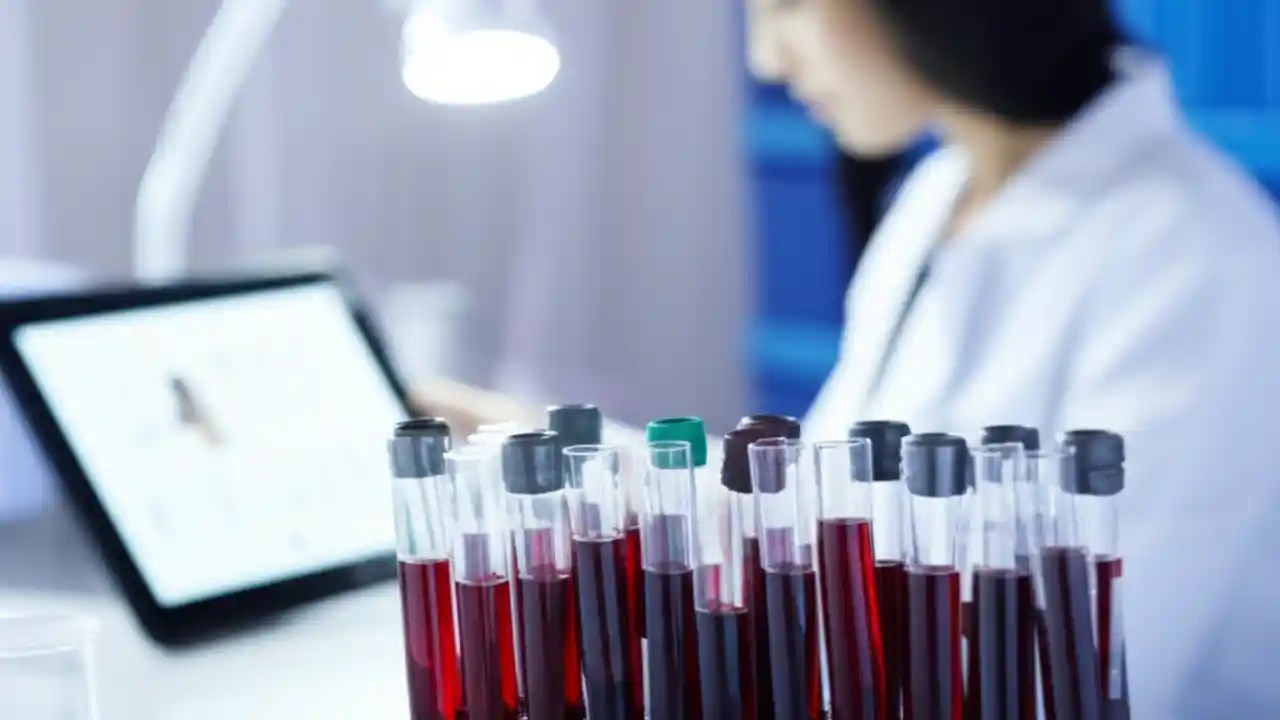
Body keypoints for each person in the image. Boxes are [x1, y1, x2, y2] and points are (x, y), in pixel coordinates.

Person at [426, 0, 1280, 714]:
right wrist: (553, 449)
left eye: (788, 3)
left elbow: (1098, 662)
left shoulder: (1198, 253)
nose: (766, 57)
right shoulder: (940, 196)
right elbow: (813, 518)